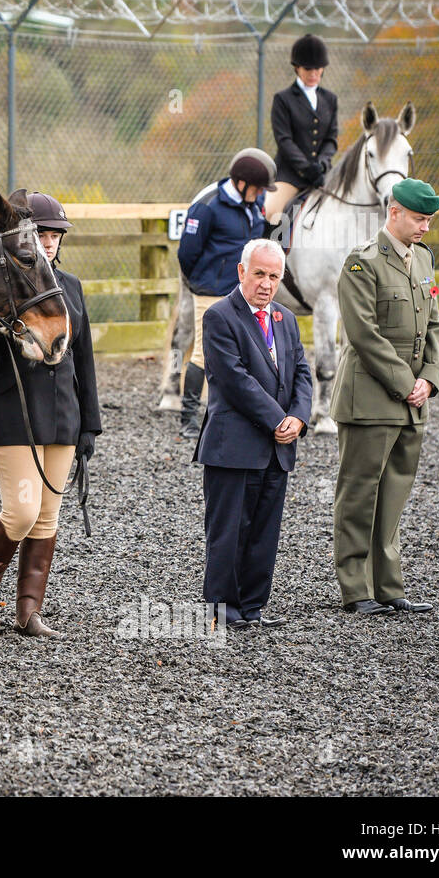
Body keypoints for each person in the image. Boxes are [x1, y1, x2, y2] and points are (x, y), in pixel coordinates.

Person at [0, 192, 102, 638]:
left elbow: (85, 361)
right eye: (40, 234)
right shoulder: (4, 284)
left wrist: (89, 426)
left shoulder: (73, 288)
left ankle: (28, 612)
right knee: (21, 512)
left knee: (47, 517)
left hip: (64, 416)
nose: (48, 243)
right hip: (13, 415)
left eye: (54, 235)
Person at [330, 179, 439, 616]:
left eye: (429, 220)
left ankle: (389, 587)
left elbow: (434, 324)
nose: (425, 228)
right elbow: (363, 335)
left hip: (412, 400)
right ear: (393, 211)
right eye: (419, 218)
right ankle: (356, 590)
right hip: (370, 399)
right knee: (359, 494)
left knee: (394, 494)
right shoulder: (363, 264)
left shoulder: (424, 260)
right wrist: (407, 382)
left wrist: (429, 379)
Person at [195, 239, 313, 629]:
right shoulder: (219, 317)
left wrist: (298, 417)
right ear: (242, 271)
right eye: (259, 273)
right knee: (228, 532)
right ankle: (222, 611)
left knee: (264, 532)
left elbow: (301, 372)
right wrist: (278, 420)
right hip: (234, 446)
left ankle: (252, 608)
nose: (266, 283)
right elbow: (234, 380)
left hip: (277, 448)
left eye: (274, 276)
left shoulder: (286, 318)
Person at [176, 148, 276, 439]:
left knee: (250, 350)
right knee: (204, 353)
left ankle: (239, 412)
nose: (260, 194)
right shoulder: (208, 206)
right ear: (241, 183)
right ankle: (188, 417)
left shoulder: (255, 202)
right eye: (257, 187)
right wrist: (205, 281)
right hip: (211, 291)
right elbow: (187, 253)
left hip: (244, 292)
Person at [266, 34, 339, 226]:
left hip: (323, 175)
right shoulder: (283, 99)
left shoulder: (330, 99)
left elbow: (331, 139)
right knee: (272, 212)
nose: (313, 73)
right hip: (290, 176)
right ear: (297, 68)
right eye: (308, 69)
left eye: (317, 68)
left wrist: (322, 164)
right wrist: (307, 169)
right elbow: (284, 141)